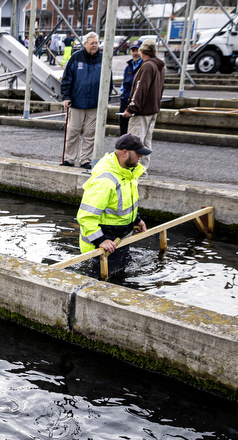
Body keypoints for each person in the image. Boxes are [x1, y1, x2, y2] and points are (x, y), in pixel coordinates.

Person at [75, 133, 150, 275]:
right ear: (125, 153)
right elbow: (86, 215)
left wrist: (137, 219)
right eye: (138, 153)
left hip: (119, 238)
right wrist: (100, 240)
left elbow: (125, 202)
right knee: (105, 282)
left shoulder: (126, 172)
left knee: (120, 275)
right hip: (104, 244)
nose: (141, 157)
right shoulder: (105, 181)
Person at [60, 32, 103, 169]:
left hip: (94, 104)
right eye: (92, 43)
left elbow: (108, 80)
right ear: (85, 44)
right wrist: (66, 97)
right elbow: (67, 79)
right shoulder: (76, 58)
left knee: (90, 134)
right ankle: (69, 159)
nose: (95, 45)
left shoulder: (103, 58)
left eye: (96, 43)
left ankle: (85, 160)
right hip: (77, 103)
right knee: (73, 132)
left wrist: (104, 100)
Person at [122, 37, 165, 171]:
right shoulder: (160, 66)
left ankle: (132, 169)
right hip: (153, 110)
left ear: (141, 51)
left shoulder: (147, 66)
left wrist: (131, 108)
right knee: (146, 141)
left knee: (135, 141)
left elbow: (140, 89)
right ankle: (142, 169)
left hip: (141, 112)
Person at [118, 40, 143, 135]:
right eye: (133, 50)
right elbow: (123, 84)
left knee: (135, 132)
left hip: (136, 104)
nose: (135, 53)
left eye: (137, 50)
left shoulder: (144, 66)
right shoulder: (128, 67)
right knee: (123, 131)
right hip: (125, 101)